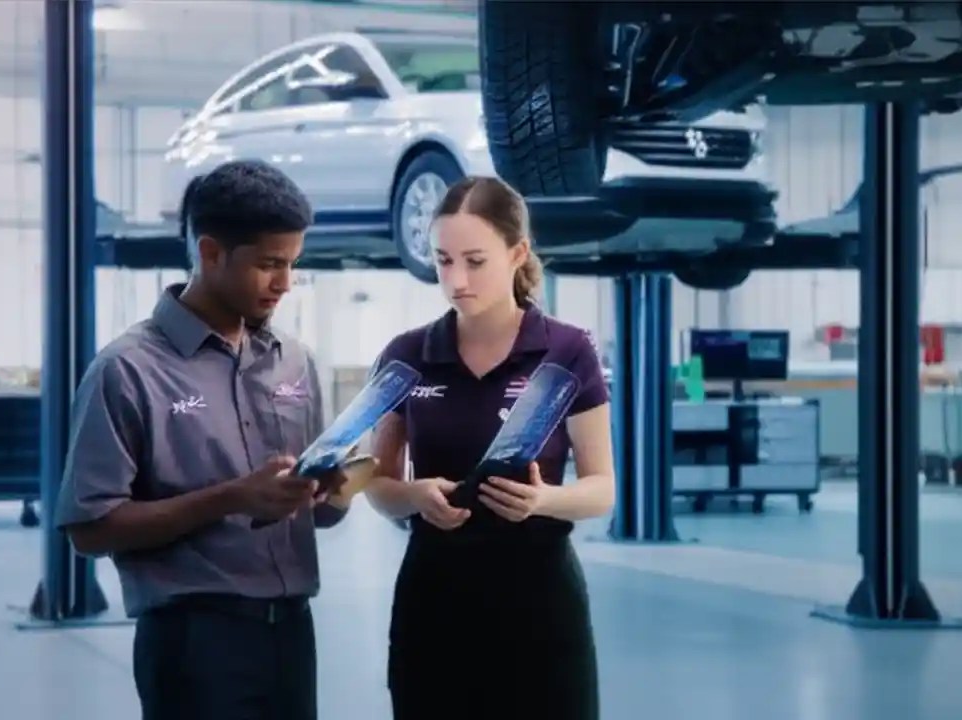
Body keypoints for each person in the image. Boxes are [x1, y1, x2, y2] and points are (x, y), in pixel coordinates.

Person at [54, 159, 351, 720]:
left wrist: (334, 490)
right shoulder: (127, 370)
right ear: (211, 253)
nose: (285, 283)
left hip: (292, 637)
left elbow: (324, 514)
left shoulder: (294, 362)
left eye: (292, 264)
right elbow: (89, 529)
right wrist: (233, 497)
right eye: (269, 264)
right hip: (192, 646)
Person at [364, 175, 616, 720]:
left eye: (475, 261)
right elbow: (377, 485)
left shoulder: (567, 350)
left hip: (540, 599)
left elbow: (602, 489)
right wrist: (415, 495)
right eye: (443, 261)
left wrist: (542, 501)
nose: (456, 280)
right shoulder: (407, 355)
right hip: (435, 597)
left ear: (517, 253)